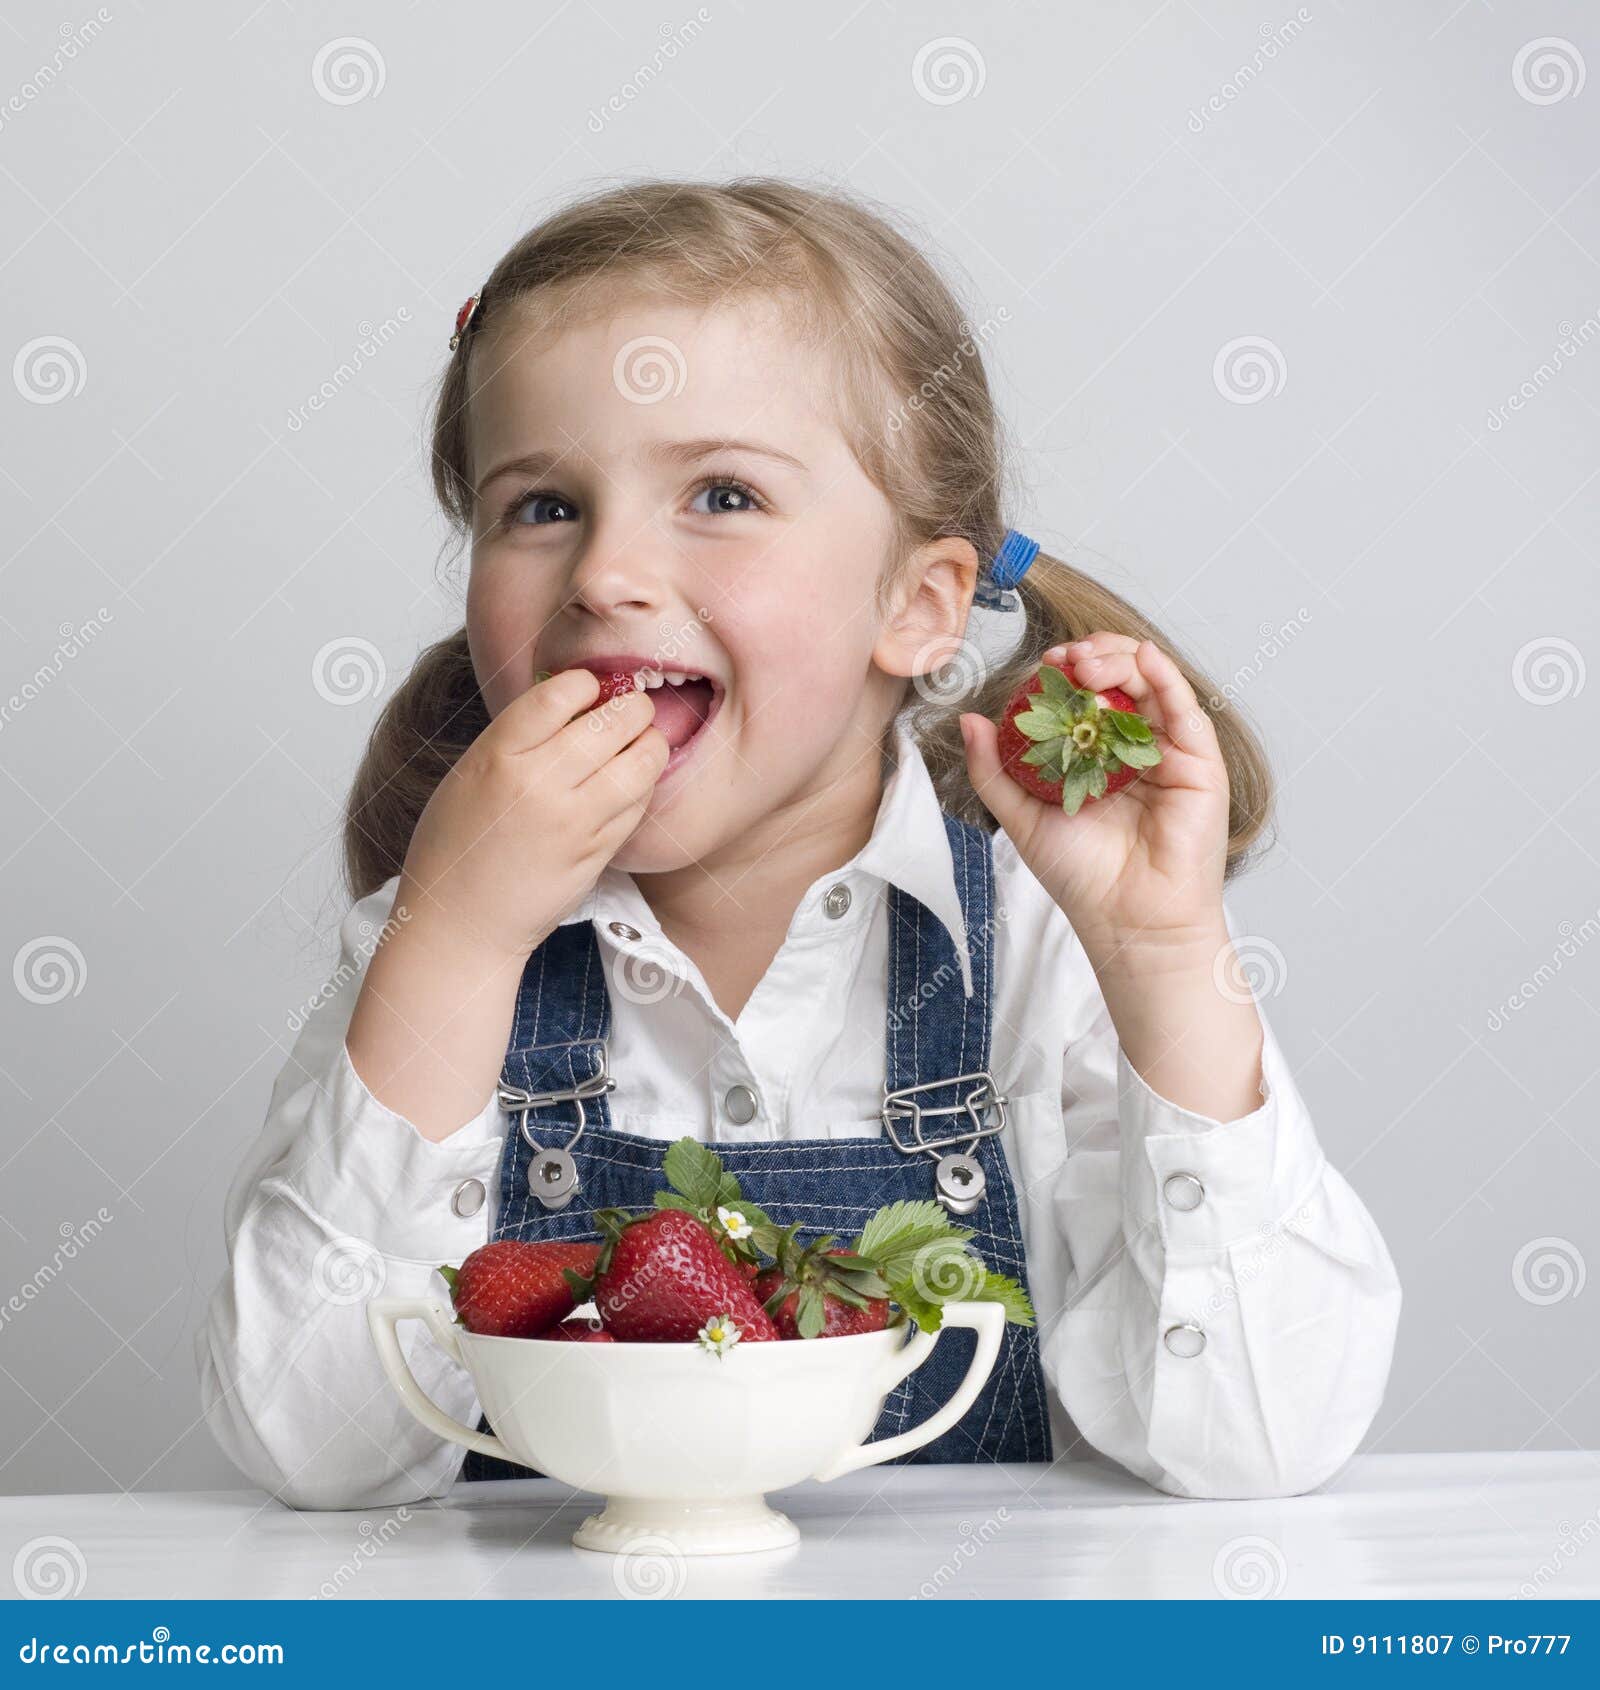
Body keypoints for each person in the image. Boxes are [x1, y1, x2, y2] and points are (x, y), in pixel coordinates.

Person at [197, 177, 1400, 1510]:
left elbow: (1259, 1437)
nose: (603, 574)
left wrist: (1168, 962)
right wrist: (452, 946)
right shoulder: (433, 948)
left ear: (920, 605)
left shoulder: (1048, 963)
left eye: (719, 492)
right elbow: (319, 1454)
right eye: (542, 505)